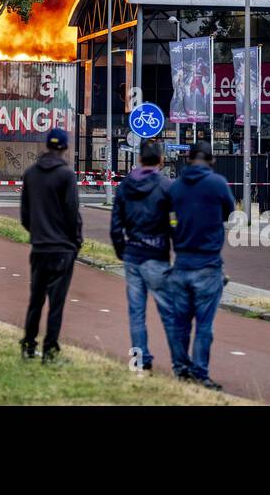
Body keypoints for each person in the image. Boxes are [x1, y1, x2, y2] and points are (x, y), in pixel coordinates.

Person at [166, 144, 235, 389]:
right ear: (212, 160)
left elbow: (167, 217)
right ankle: (201, 373)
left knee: (181, 323)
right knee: (204, 325)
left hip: (182, 261)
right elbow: (230, 211)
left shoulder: (175, 187)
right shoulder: (217, 184)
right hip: (208, 263)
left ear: (187, 158)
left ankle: (181, 369)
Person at [19, 127, 83, 363]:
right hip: (62, 249)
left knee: (35, 300)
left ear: (47, 145)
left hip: (39, 247)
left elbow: (25, 215)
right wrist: (76, 241)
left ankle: (28, 344)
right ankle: (49, 350)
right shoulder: (67, 175)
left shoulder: (30, 174)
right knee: (56, 303)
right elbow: (72, 212)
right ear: (65, 148)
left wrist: (38, 233)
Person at [110, 141, 174, 372]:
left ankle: (139, 359)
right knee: (168, 311)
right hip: (157, 255)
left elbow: (116, 225)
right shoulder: (167, 186)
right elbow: (175, 223)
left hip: (133, 254)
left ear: (139, 159)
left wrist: (122, 251)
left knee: (136, 312)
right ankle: (179, 362)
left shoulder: (125, 185)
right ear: (161, 161)